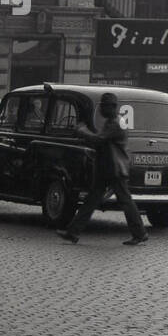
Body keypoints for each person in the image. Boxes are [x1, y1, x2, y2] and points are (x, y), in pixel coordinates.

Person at [58, 91, 148, 246]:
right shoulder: (114, 121)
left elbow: (99, 140)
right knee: (91, 201)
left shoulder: (115, 123)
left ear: (111, 107)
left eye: (104, 106)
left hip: (114, 169)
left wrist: (82, 131)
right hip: (108, 168)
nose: (101, 110)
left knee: (124, 201)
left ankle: (140, 233)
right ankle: (73, 232)